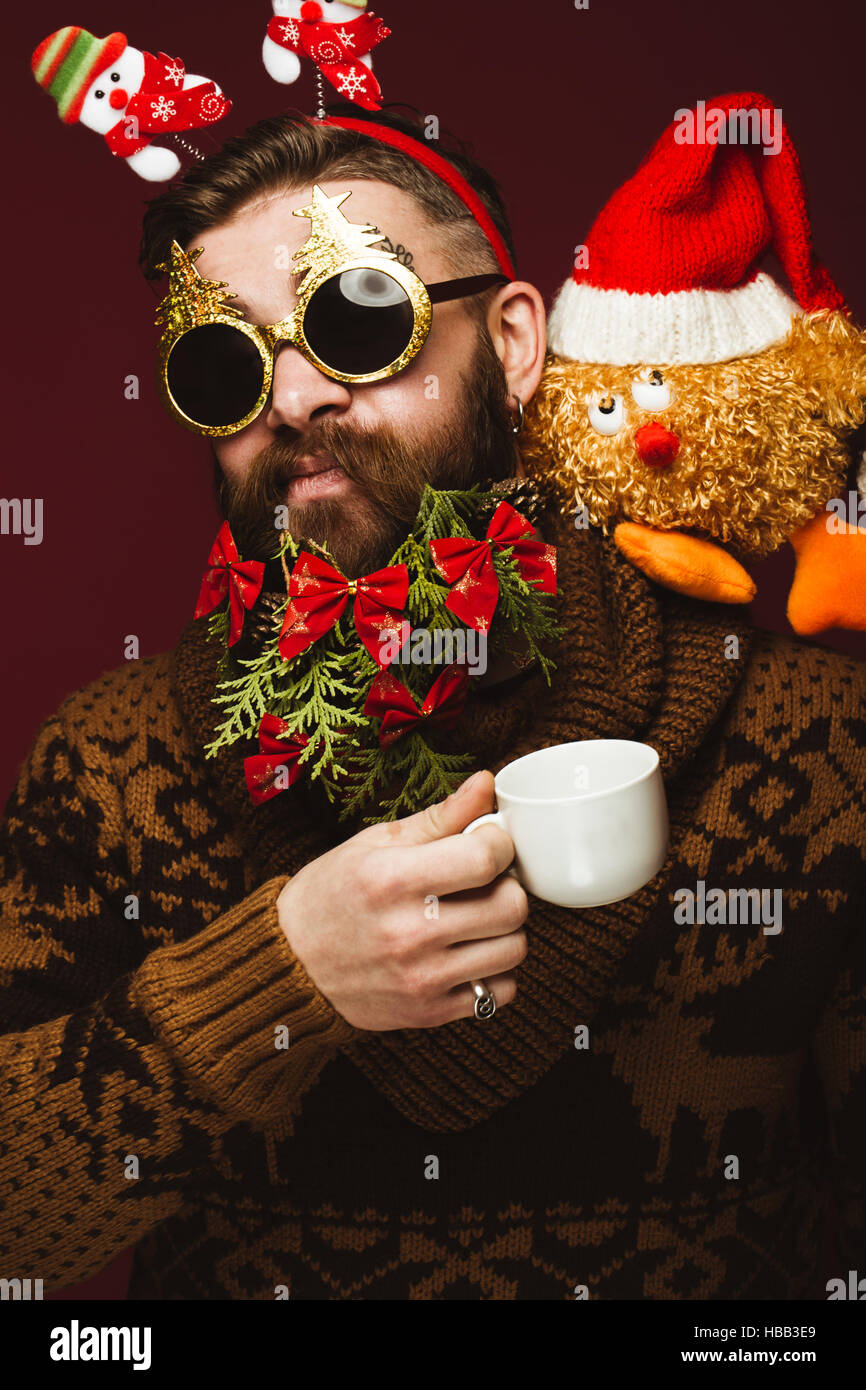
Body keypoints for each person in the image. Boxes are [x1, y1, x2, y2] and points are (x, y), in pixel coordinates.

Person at [0, 107, 862, 1301]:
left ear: (510, 339)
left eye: (356, 318)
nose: (293, 398)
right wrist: (273, 982)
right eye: (225, 363)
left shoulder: (814, 739)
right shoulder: (109, 764)